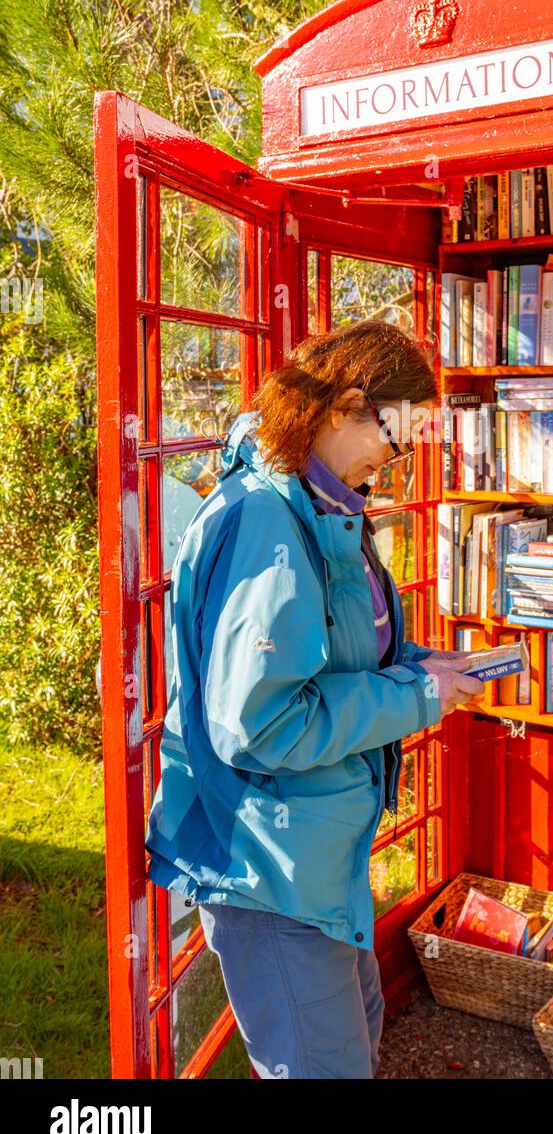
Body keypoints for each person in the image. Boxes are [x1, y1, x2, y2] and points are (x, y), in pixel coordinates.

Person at [144, 318, 484, 1079]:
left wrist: (428, 665)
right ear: (345, 408)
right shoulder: (267, 521)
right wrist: (418, 697)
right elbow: (258, 723)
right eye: (398, 438)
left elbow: (335, 657)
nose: (398, 463)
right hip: (268, 867)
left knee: (356, 1040)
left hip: (316, 861)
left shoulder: (315, 505)